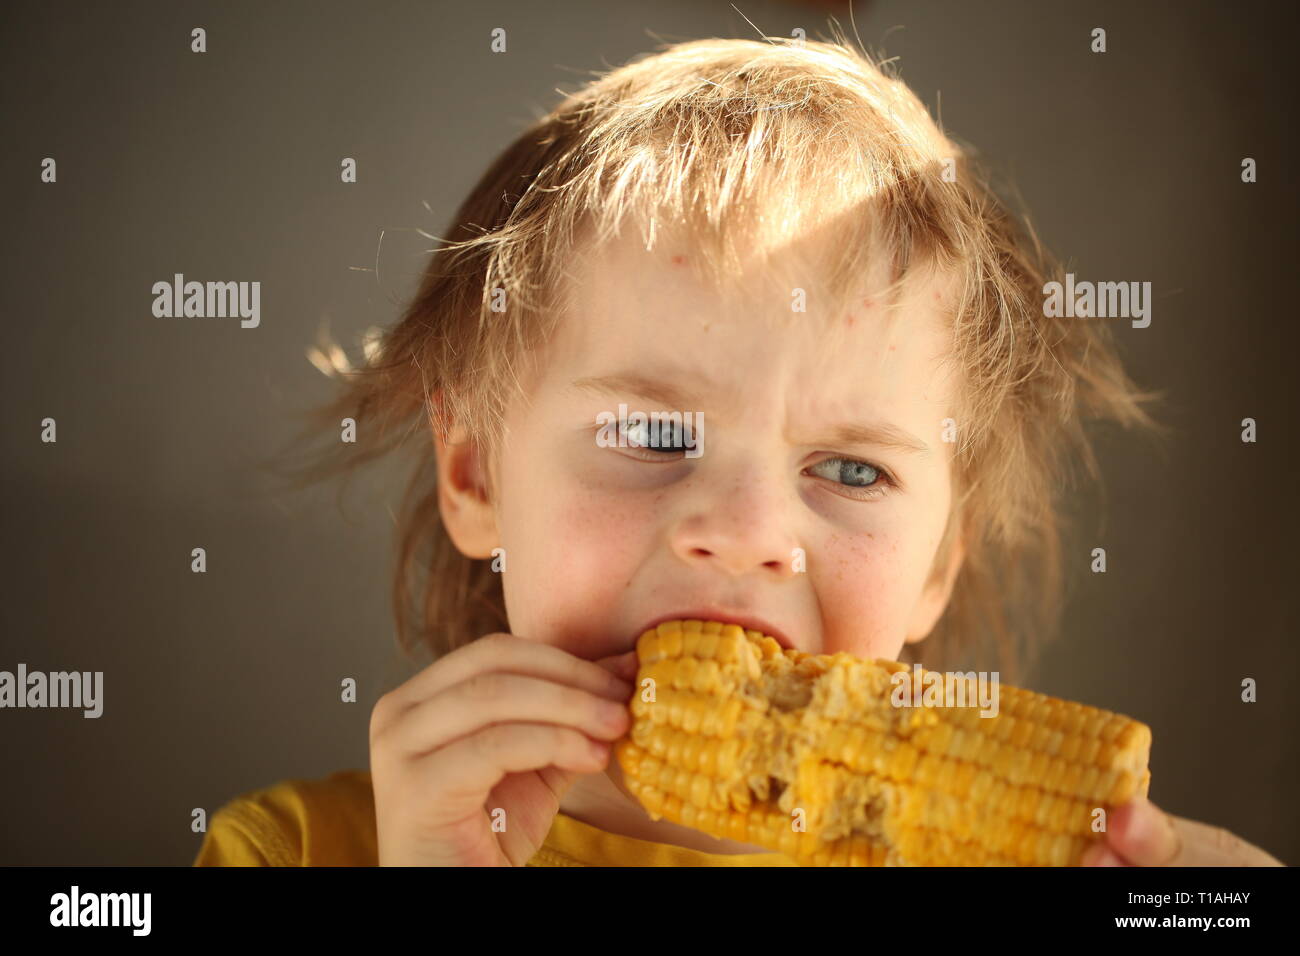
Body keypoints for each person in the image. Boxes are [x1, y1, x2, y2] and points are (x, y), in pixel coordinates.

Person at [193, 36, 1283, 867]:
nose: (753, 534)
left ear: (940, 559)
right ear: (474, 471)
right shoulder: (289, 848)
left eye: (853, 468)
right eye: (656, 434)